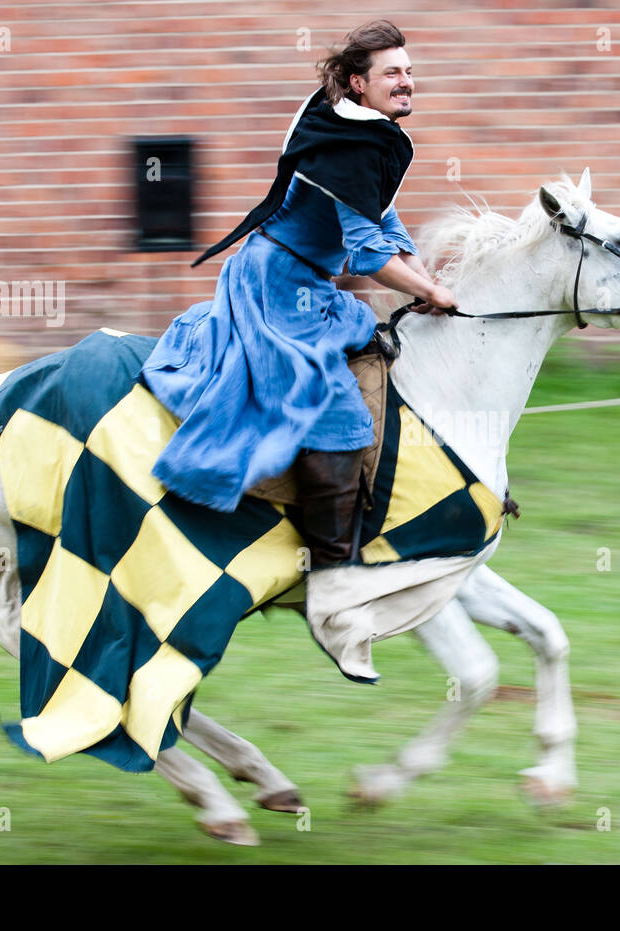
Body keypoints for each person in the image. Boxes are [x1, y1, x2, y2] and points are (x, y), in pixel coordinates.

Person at [140, 20, 457, 577]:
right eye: (392, 74)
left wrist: (424, 276)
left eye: (409, 72)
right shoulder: (350, 143)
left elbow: (384, 218)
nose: (406, 82)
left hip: (303, 281)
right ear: (359, 84)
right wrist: (429, 290)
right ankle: (333, 573)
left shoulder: (360, 132)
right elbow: (364, 253)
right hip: (282, 288)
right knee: (335, 411)